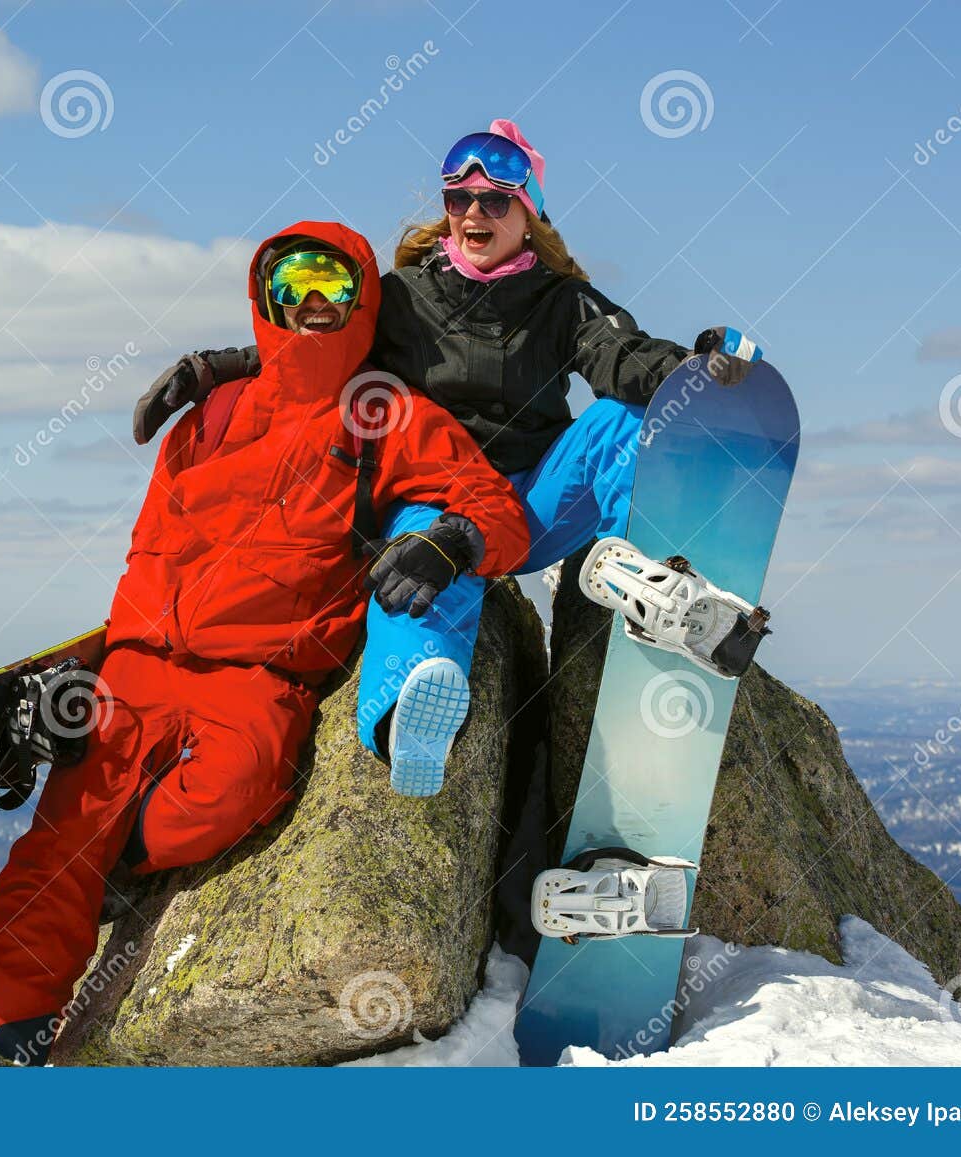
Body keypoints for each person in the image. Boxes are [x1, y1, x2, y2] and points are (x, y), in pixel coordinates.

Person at [0, 220, 531, 1063]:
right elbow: (150, 546)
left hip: (261, 671)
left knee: (232, 795)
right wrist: (103, 659)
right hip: (143, 663)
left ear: (362, 299)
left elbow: (497, 508)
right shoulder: (213, 410)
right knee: (58, 842)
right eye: (294, 284)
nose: (313, 302)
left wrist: (454, 541)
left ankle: (112, 861)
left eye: (333, 284)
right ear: (266, 299)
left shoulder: (383, 414)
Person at [137, 120, 763, 797]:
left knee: (623, 421)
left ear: (528, 216)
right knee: (419, 567)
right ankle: (409, 709)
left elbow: (621, 356)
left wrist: (691, 370)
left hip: (535, 499)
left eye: (494, 200)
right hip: (437, 499)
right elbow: (322, 352)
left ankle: (659, 583)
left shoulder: (562, 301)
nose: (473, 212)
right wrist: (218, 368)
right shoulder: (404, 298)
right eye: (459, 198)